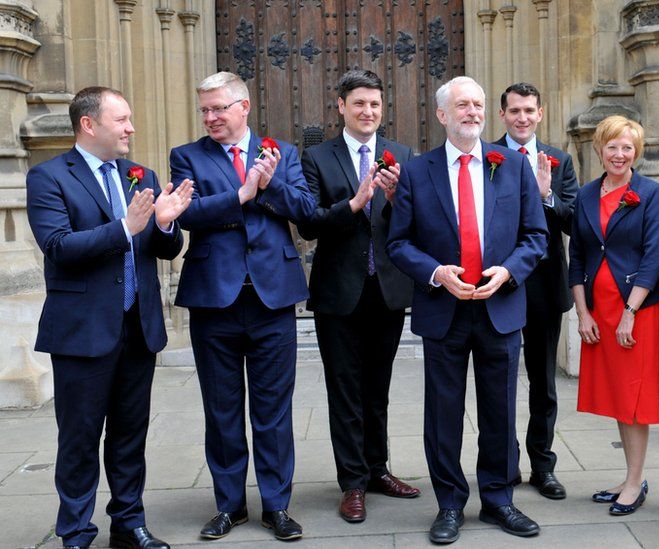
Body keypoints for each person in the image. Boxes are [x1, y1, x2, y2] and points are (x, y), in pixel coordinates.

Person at [26, 86, 192, 549]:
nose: (131, 129)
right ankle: (76, 530)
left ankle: (129, 523)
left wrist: (163, 223)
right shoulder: (49, 177)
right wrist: (125, 228)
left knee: (129, 436)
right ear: (89, 124)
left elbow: (167, 248)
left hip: (137, 328)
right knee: (79, 439)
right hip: (82, 331)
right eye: (121, 120)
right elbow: (58, 247)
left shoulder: (140, 174)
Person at [386, 76, 548, 544]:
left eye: (478, 104)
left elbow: (535, 237)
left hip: (499, 307)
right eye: (462, 105)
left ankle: (498, 500)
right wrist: (437, 273)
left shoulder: (512, 167)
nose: (473, 112)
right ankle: (451, 504)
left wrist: (509, 273)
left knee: (500, 410)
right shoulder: (419, 171)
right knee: (444, 414)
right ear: (442, 115)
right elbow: (399, 243)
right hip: (444, 309)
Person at [169, 71, 317, 542]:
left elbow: (306, 211)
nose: (210, 117)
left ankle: (277, 506)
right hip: (215, 299)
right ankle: (229, 506)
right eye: (205, 110)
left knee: (274, 410)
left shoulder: (283, 154)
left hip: (272, 297)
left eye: (219, 108)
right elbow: (186, 214)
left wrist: (269, 186)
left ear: (244, 107)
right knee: (223, 408)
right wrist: (239, 195)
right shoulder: (187, 156)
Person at [297, 69, 419, 524]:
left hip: (386, 290)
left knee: (378, 390)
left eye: (375, 104)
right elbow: (307, 223)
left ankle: (377, 470)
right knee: (345, 391)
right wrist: (353, 203)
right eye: (359, 104)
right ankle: (351, 483)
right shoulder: (317, 157)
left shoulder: (401, 155)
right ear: (342, 108)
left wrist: (401, 196)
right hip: (338, 293)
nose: (368, 112)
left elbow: (416, 222)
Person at [568, 115, 659, 516]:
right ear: (600, 149)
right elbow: (577, 257)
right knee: (616, 397)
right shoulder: (587, 194)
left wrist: (630, 311)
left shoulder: (650, 192)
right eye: (612, 146)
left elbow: (653, 255)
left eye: (627, 147)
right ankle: (630, 477)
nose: (620, 154)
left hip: (637, 312)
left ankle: (634, 483)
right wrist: (582, 312)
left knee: (634, 398)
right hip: (598, 312)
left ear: (636, 152)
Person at [493, 82, 578, 499]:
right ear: (503, 115)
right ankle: (504, 466)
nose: (522, 118)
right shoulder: (486, 158)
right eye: (514, 111)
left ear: (540, 114)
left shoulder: (559, 161)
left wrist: (546, 196)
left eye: (529, 110)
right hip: (502, 285)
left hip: (545, 287)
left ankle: (542, 466)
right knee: (501, 381)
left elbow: (573, 221)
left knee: (543, 383)